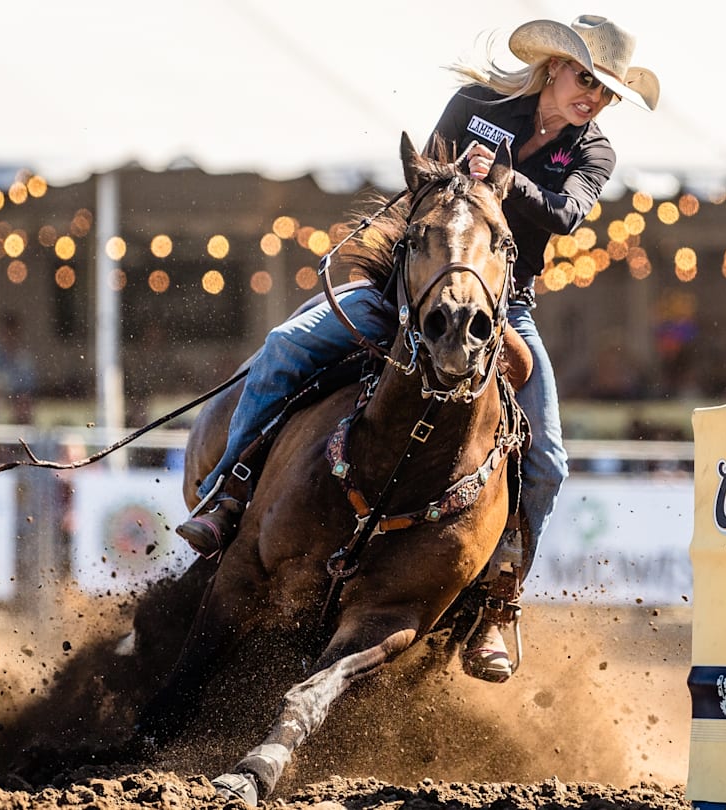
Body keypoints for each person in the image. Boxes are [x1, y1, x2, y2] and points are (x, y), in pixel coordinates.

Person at [174, 14, 659, 682]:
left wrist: (505, 181)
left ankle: (498, 603)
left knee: (546, 459)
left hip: (505, 306)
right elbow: (420, 187)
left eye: (607, 92)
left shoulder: (593, 151)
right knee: (286, 347)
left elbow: (567, 214)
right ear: (555, 67)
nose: (594, 98)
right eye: (587, 80)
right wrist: (452, 180)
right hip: (415, 286)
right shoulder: (475, 106)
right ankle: (229, 495)